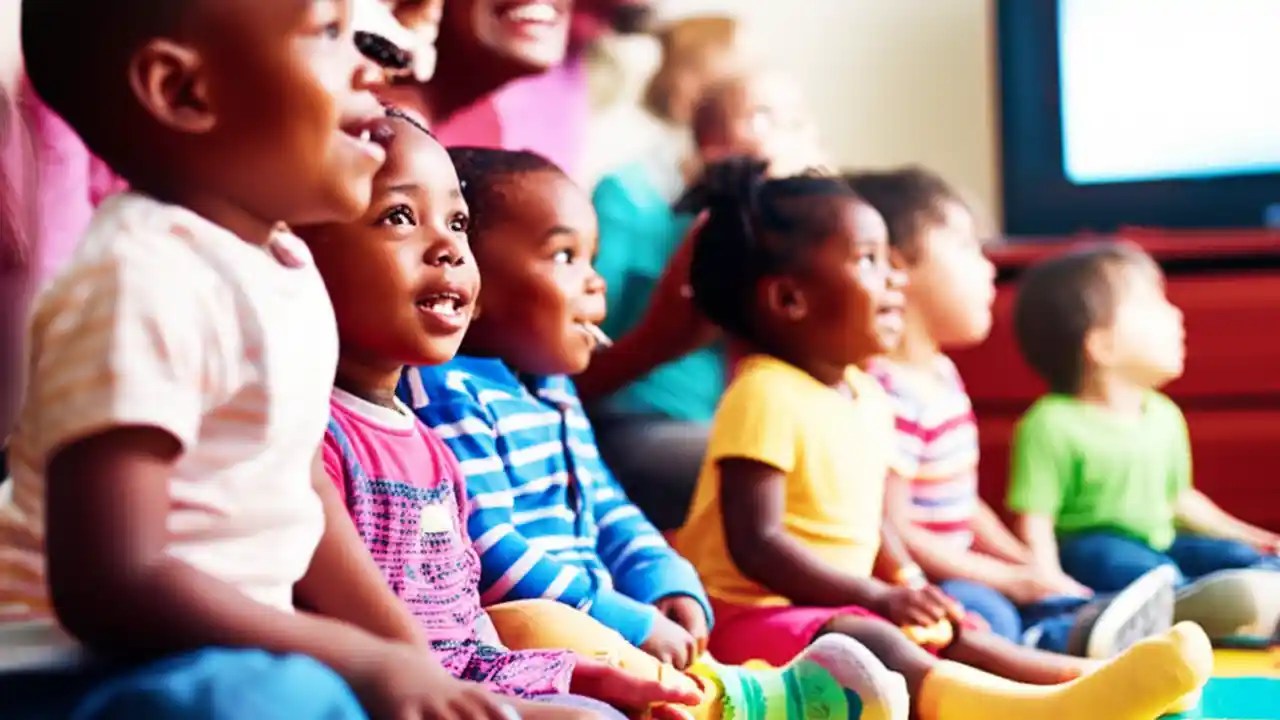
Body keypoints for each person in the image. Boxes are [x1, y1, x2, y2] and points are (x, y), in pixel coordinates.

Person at [0, 1, 525, 718]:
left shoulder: (283, 269)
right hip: (76, 673)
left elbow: (301, 492)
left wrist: (417, 665)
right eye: (330, 33)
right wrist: (363, 662)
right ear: (184, 92)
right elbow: (110, 585)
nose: (376, 62)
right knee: (286, 696)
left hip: (218, 661)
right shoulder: (141, 276)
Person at [671, 158, 1212, 720]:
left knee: (949, 623)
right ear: (790, 300)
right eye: (869, 262)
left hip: (832, 604)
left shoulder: (864, 394)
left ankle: (1086, 682)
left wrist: (905, 579)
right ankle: (1041, 707)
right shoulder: (764, 392)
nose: (895, 280)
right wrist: (874, 594)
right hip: (751, 615)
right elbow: (757, 542)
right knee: (873, 643)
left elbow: (868, 517)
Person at [399, 147, 918, 719]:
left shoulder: (554, 392)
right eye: (565, 256)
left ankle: (716, 693)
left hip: (600, 618)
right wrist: (622, 614)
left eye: (592, 257)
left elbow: (610, 507)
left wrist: (665, 580)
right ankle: (739, 703)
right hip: (525, 628)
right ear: (472, 277)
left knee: (643, 635)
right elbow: (485, 549)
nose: (596, 283)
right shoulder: (446, 390)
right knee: (538, 621)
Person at [298, 108, 705, 719]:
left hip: (471, 668)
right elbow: (463, 601)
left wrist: (659, 579)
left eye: (458, 223)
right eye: (400, 216)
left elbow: (464, 627)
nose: (450, 250)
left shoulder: (429, 447)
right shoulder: (359, 425)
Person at [848, 167, 1176, 656]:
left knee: (1046, 593)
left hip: (960, 566)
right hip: (916, 585)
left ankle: (1083, 630)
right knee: (988, 612)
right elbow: (896, 531)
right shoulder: (887, 392)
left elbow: (963, 503)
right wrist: (1011, 578)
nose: (988, 268)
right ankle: (1056, 643)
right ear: (897, 267)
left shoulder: (940, 375)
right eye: (966, 248)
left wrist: (1027, 563)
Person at [1008, 241, 1280, 646]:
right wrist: (1050, 586)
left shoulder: (1164, 414)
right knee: (1138, 567)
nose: (1176, 314)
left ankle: (1222, 606)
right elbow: (1036, 521)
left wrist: (1252, 537)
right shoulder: (1050, 423)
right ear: (1102, 345)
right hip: (1095, 551)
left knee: (1242, 561)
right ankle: (1185, 612)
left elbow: (1180, 500)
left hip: (1162, 545)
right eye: (1155, 304)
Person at [583, 69, 820, 531]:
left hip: (745, 420)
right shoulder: (637, 203)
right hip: (643, 416)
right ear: (710, 142)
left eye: (799, 120)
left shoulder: (805, 226)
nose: (786, 132)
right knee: (788, 477)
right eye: (764, 116)